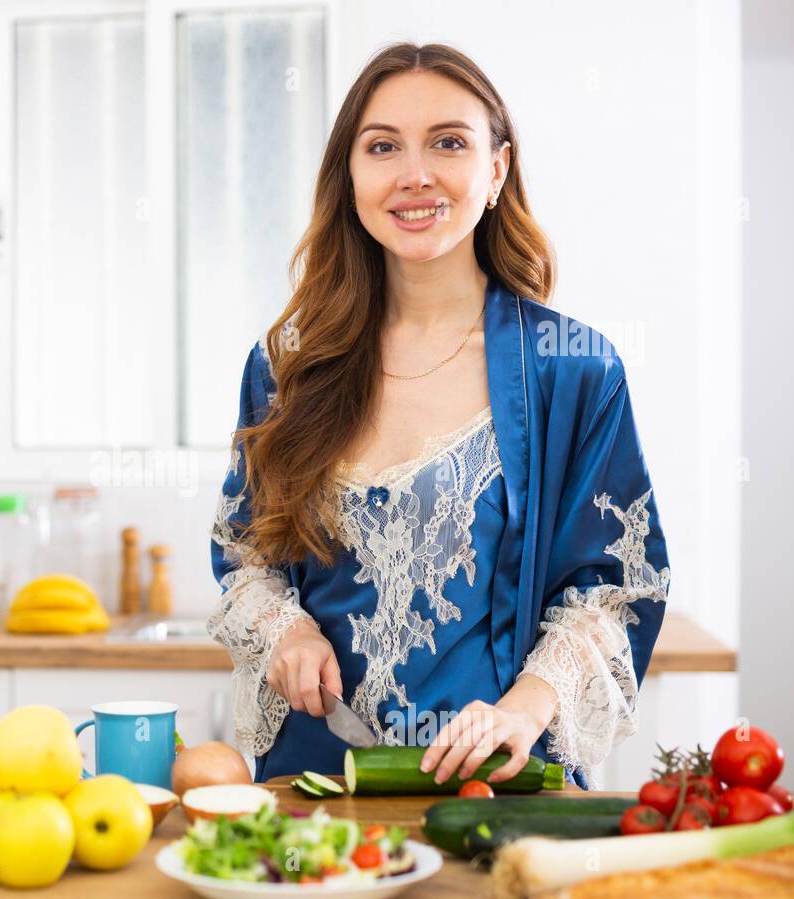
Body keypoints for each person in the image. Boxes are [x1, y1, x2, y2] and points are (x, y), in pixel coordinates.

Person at [206, 42, 670, 791]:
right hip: (318, 790)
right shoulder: (285, 363)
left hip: (500, 787)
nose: (414, 174)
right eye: (382, 146)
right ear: (350, 177)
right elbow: (245, 556)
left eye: (448, 142)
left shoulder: (574, 367)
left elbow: (616, 587)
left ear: (496, 170)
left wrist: (521, 711)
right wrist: (284, 629)